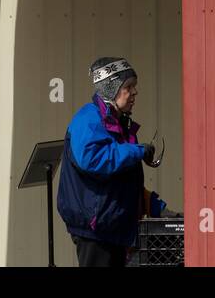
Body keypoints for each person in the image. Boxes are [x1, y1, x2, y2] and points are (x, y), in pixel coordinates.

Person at [56, 56, 176, 267]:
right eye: (128, 87)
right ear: (111, 89)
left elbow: (125, 182)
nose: (134, 93)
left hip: (112, 228)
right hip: (96, 231)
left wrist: (157, 207)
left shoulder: (118, 123)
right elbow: (92, 160)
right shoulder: (88, 119)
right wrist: (137, 151)